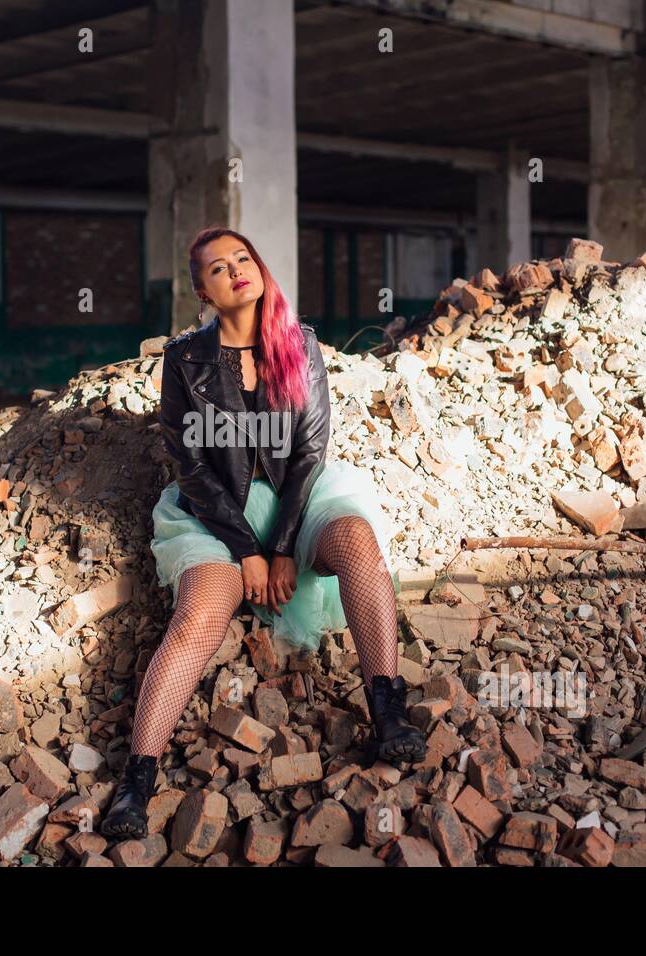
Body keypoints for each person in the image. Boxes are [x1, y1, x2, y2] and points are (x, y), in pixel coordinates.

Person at [100, 226, 426, 840]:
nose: (235, 271)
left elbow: (309, 451)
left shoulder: (299, 344)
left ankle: (387, 707)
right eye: (218, 268)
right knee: (201, 612)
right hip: (213, 510)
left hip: (297, 499)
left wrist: (280, 546)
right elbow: (191, 465)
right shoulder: (185, 360)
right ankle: (137, 780)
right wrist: (246, 549)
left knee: (356, 539)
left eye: (243, 258)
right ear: (203, 290)